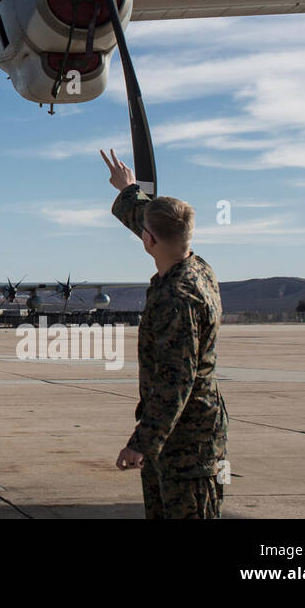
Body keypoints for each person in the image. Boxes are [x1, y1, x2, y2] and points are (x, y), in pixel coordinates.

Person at [101, 149, 228, 519]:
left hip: (187, 444)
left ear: (148, 242)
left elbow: (177, 380)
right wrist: (128, 190)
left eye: (144, 232)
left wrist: (143, 443)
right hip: (180, 437)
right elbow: (155, 222)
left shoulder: (178, 298)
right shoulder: (196, 266)